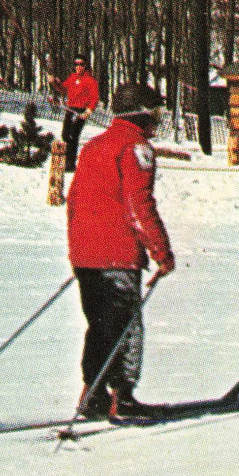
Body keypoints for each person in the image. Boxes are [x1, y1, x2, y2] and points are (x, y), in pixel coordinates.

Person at [67, 82, 175, 420]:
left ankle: (94, 394)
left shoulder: (95, 144)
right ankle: (122, 397)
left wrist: (80, 249)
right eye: (155, 113)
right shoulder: (135, 147)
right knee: (126, 325)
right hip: (117, 253)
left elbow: (74, 199)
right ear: (141, 114)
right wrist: (161, 252)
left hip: (85, 252)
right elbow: (139, 205)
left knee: (100, 326)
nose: (158, 121)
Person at [55, 57, 100, 173]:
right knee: (65, 134)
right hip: (71, 109)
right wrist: (54, 82)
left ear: (85, 66)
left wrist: (88, 111)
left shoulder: (90, 80)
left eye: (81, 64)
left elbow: (94, 97)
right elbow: (62, 89)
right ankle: (66, 160)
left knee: (73, 135)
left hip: (81, 111)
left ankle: (70, 164)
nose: (78, 67)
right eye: (76, 64)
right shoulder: (72, 77)